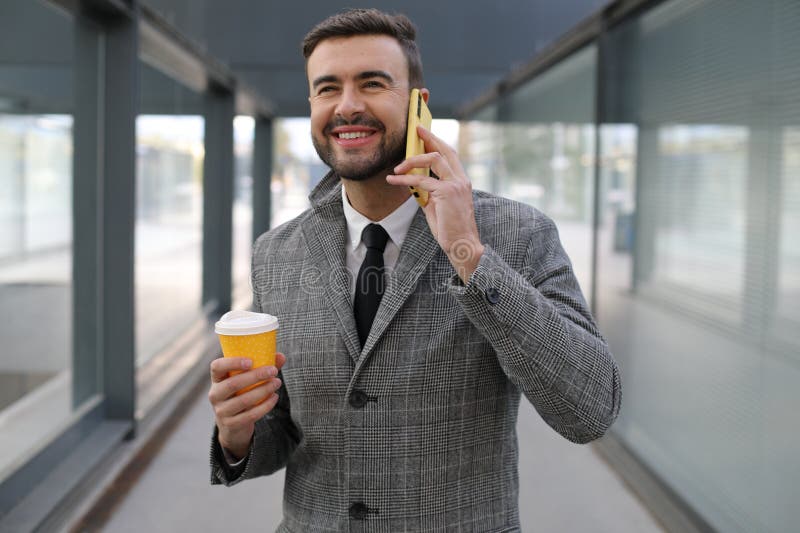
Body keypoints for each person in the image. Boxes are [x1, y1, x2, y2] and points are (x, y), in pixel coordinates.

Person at [208, 8, 621, 532]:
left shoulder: (517, 233)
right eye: (328, 88)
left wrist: (468, 250)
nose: (348, 106)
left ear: (418, 105)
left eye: (373, 83)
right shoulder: (276, 252)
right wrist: (236, 432)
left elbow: (589, 410)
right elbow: (283, 437)